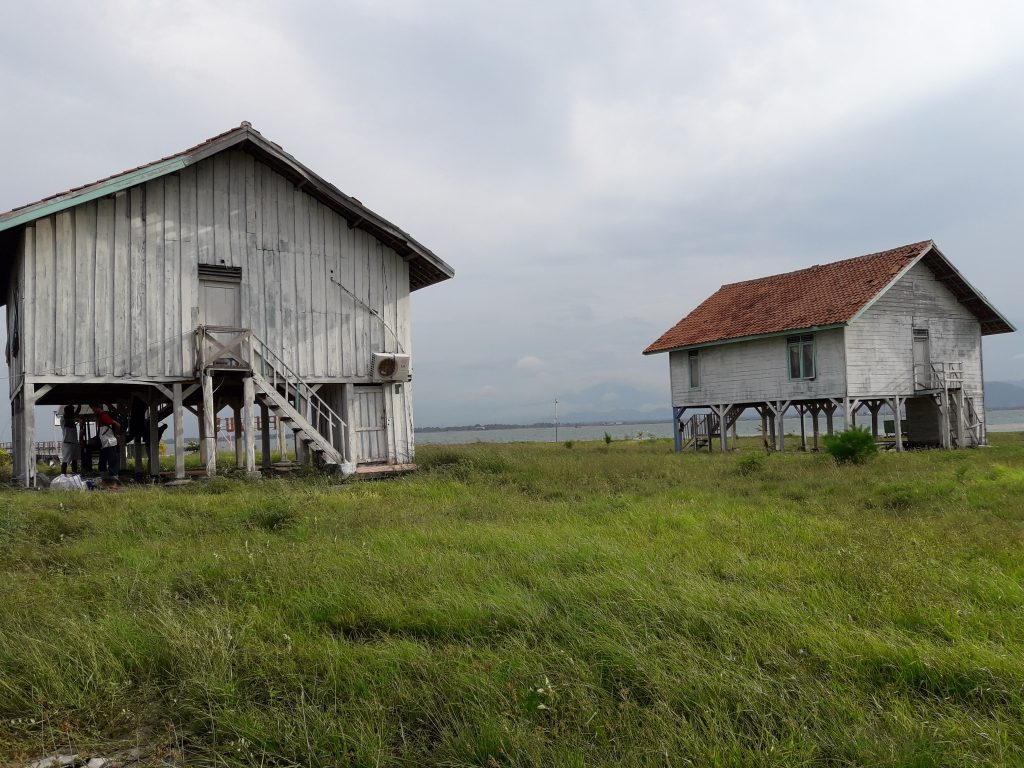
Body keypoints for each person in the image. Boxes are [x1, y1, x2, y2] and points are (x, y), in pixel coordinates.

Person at [90, 403, 122, 486]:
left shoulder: (104, 416)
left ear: (98, 408)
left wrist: (116, 436)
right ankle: (105, 479)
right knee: (102, 462)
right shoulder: (100, 417)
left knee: (112, 462)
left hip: (110, 442)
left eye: (93, 410)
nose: (93, 412)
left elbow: (117, 425)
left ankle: (114, 481)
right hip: (104, 443)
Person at [59, 405, 81, 475]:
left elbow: (76, 413)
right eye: (71, 411)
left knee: (75, 459)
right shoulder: (63, 419)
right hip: (67, 443)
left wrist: (79, 405)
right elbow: (75, 414)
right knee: (65, 460)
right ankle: (63, 475)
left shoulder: (71, 418)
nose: (73, 412)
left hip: (74, 442)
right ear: (67, 412)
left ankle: (74, 474)